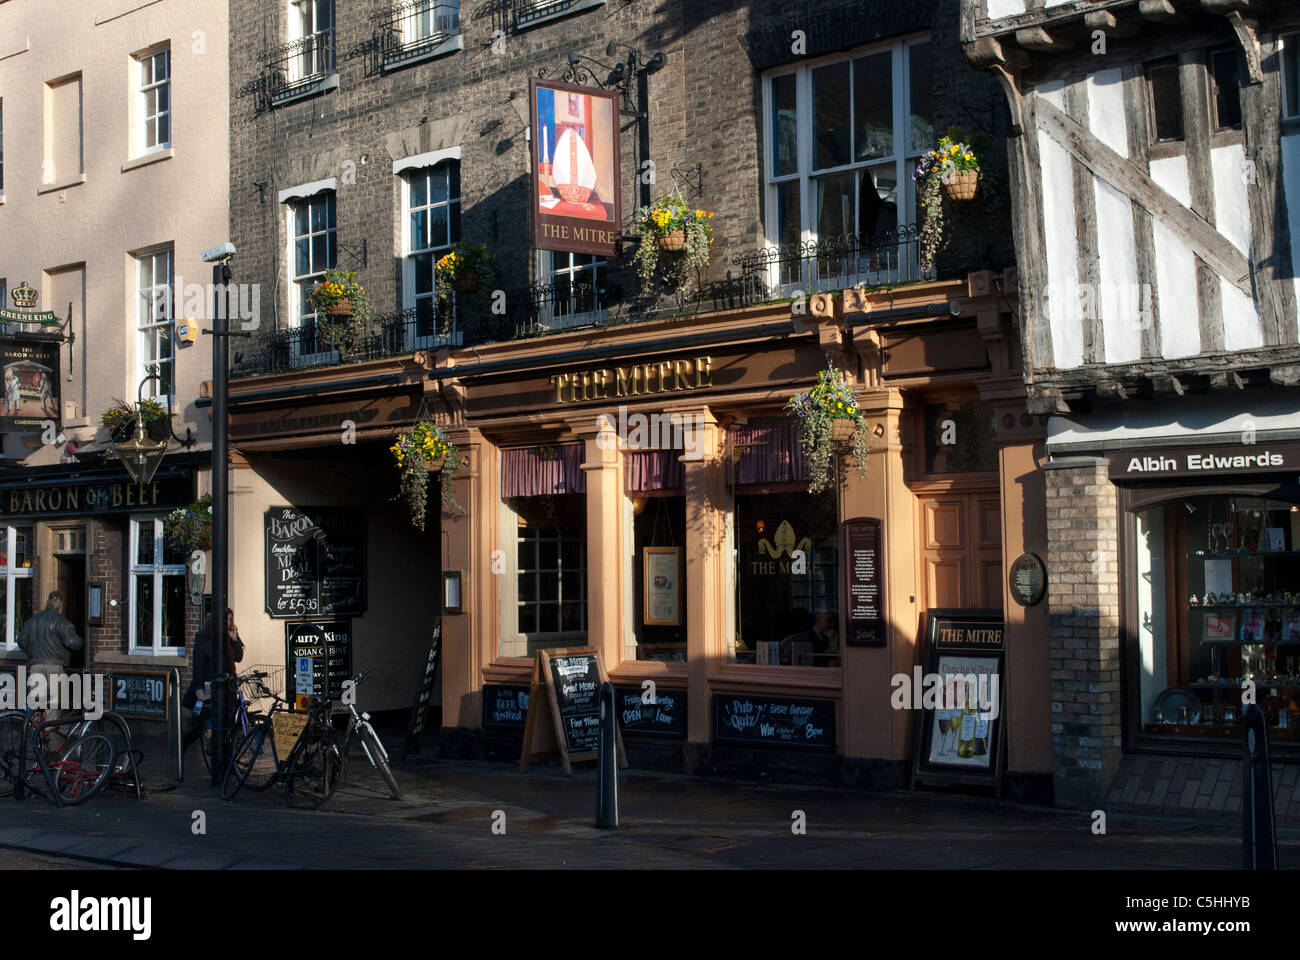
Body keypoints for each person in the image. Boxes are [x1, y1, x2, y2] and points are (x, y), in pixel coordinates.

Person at [182, 609, 245, 756]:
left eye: (231, 619)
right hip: (209, 686)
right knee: (200, 725)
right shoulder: (203, 637)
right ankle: (181, 748)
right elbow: (197, 665)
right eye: (227, 620)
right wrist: (198, 688)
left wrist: (235, 639)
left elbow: (238, 657)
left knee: (229, 722)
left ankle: (227, 759)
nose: (229, 623)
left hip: (228, 686)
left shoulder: (229, 636)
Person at [16, 591, 83, 719]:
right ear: (60, 605)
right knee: (52, 701)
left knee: (37, 699)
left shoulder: (32, 620)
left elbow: (21, 640)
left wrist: (31, 651)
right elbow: (72, 642)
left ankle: (35, 730)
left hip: (35, 665)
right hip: (54, 665)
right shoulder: (61, 621)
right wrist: (82, 641)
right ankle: (48, 733)